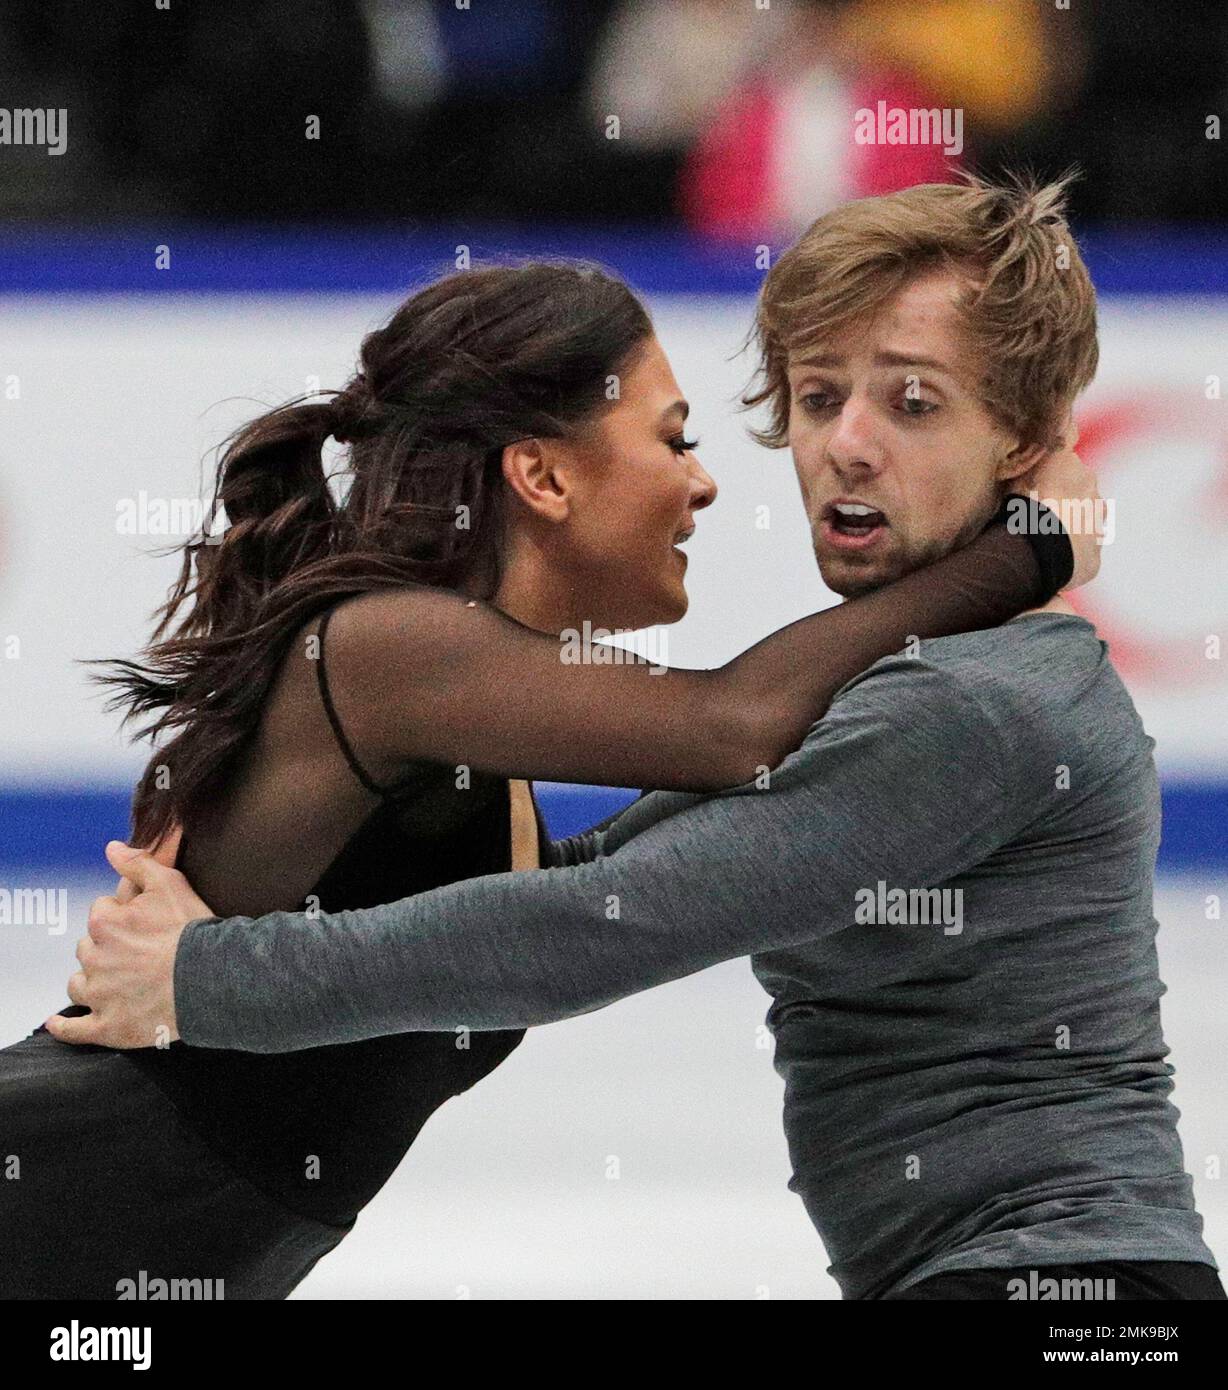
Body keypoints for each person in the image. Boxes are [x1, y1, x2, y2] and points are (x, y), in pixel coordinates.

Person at [62, 175, 1225, 1302]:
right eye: (819, 398)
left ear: (1027, 441)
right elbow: (607, 876)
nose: (846, 446)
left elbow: (597, 927)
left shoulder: (974, 705)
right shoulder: (917, 682)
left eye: (910, 402)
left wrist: (204, 979)